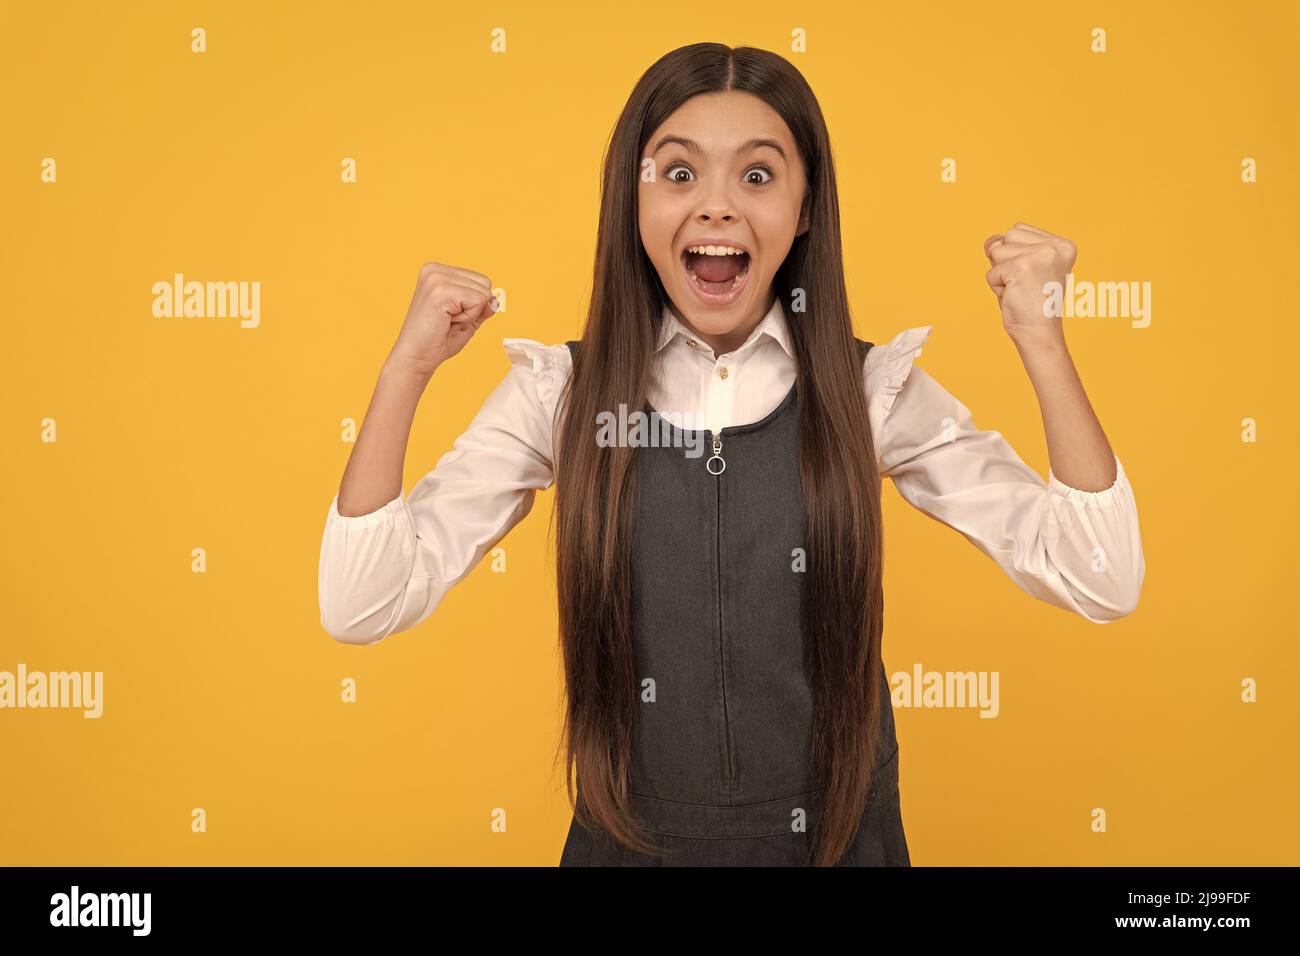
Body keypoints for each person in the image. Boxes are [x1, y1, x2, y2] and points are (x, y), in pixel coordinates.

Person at [317, 43, 1144, 866]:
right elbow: (362, 604)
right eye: (678, 174)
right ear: (631, 204)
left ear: (806, 206)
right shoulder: (560, 394)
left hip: (840, 847)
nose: (717, 208)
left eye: (757, 175)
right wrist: (407, 371)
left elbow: (1097, 575)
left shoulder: (870, 392)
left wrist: (1041, 342)